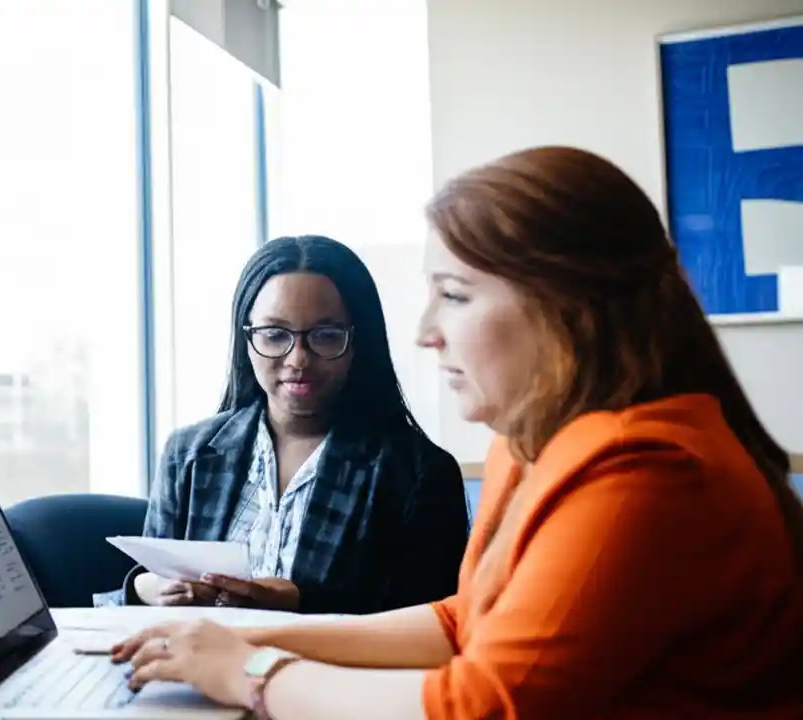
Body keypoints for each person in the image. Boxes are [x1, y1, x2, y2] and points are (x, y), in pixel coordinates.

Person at [110, 148, 803, 718]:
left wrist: (251, 668)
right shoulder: (533, 445)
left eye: (456, 294)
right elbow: (461, 621)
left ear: (569, 310)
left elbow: (480, 707)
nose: (426, 332)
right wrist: (237, 637)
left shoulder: (646, 475)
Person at [98, 235, 468, 615]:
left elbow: (434, 623)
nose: (298, 358)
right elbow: (148, 577)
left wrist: (301, 601)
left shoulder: (418, 473)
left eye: (325, 336)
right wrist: (148, 587)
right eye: (274, 335)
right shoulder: (189, 453)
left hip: (330, 672)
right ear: (246, 338)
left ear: (358, 342)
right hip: (197, 669)